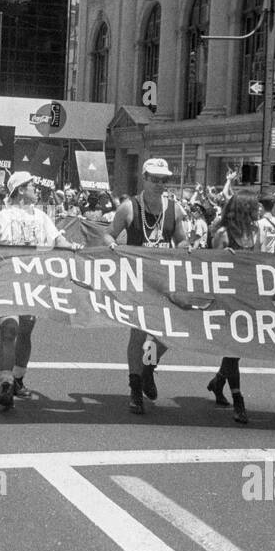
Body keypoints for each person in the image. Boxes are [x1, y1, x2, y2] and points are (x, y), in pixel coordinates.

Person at [0, 171, 83, 408]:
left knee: (25, 332)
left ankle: (18, 378)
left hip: (34, 286)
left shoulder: (42, 217)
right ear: (21, 190)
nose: (37, 188)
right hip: (7, 284)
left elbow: (58, 241)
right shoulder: (2, 217)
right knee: (9, 330)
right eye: (32, 185)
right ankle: (5, 383)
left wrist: (71, 246)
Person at [103, 158, 189, 414]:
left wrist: (184, 249)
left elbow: (182, 240)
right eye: (155, 179)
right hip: (138, 280)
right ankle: (135, 386)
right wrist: (112, 245)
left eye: (164, 180)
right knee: (138, 333)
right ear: (145, 178)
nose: (160, 184)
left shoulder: (175, 208)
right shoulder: (130, 207)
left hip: (164, 280)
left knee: (167, 334)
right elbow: (109, 233)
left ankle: (149, 365)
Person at [205, 190, 274, 423]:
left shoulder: (257, 231)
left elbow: (262, 260)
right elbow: (209, 266)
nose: (259, 209)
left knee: (237, 349)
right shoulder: (223, 233)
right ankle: (238, 399)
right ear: (245, 208)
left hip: (249, 295)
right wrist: (223, 256)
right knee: (234, 348)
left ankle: (218, 382)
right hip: (227, 298)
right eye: (254, 206)